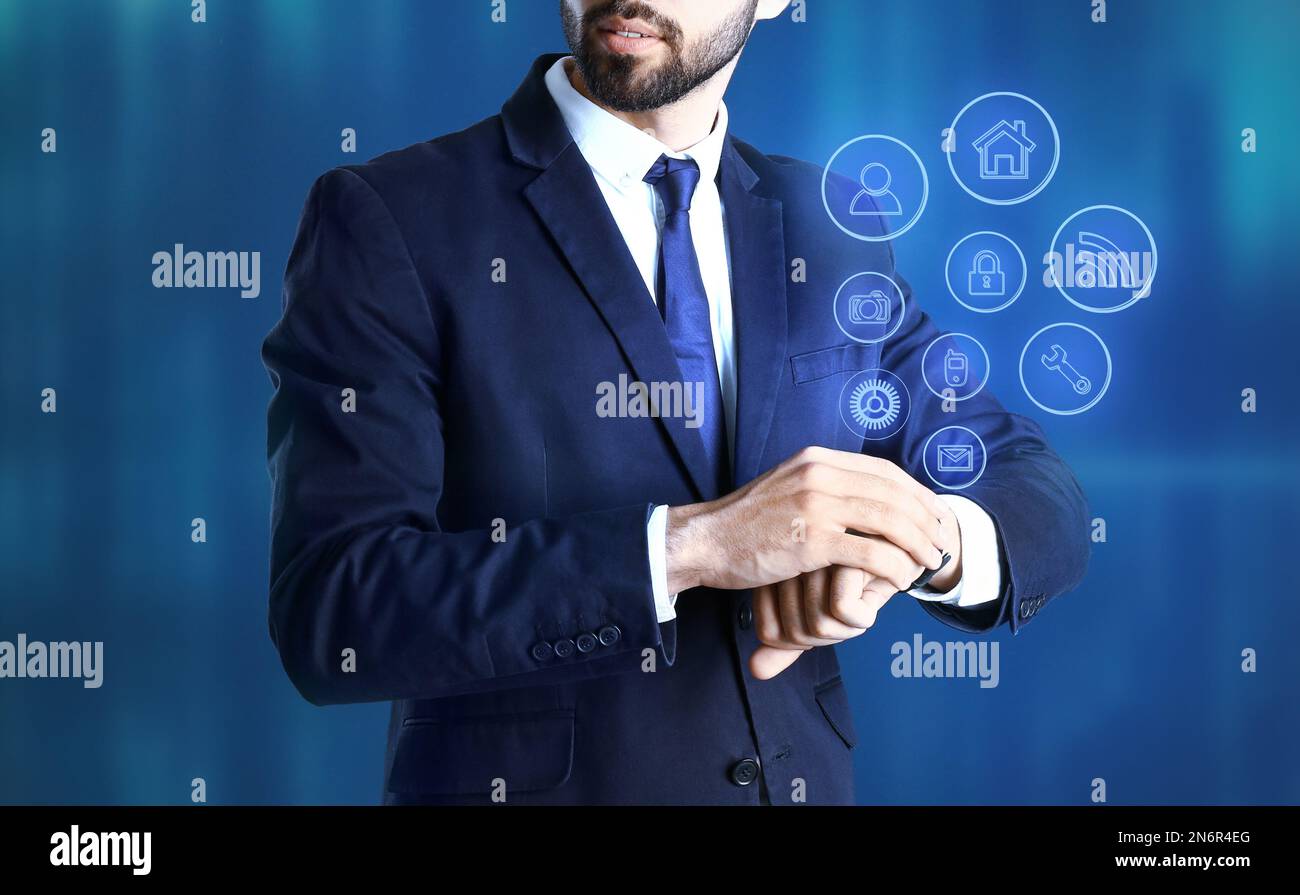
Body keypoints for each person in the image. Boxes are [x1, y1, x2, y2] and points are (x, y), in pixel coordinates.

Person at [261, 0, 1089, 805]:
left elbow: (1029, 482)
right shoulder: (391, 217)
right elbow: (334, 607)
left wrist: (915, 540)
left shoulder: (830, 225)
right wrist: (690, 547)